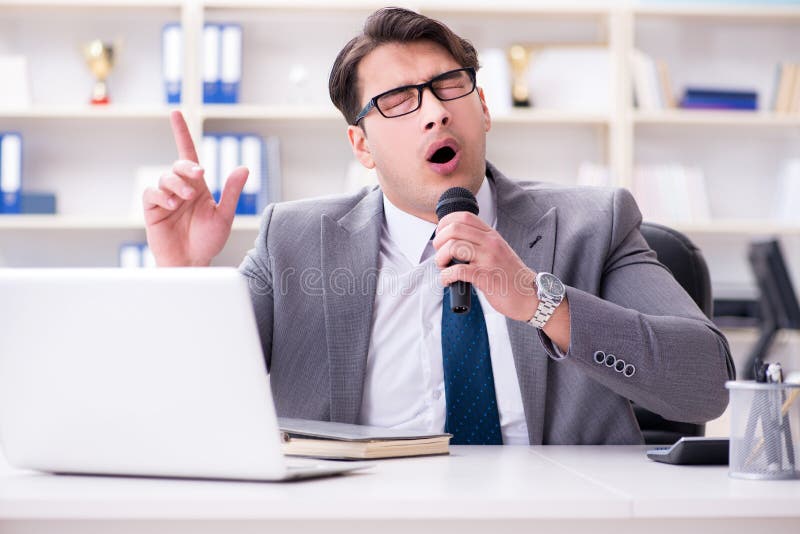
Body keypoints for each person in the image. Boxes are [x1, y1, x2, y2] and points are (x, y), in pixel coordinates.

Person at [143, 7, 735, 445]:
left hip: (556, 510)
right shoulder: (290, 242)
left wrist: (536, 298)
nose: (435, 110)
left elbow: (706, 384)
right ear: (361, 144)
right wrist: (183, 277)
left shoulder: (594, 223)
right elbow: (177, 407)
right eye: (399, 100)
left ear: (482, 109)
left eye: (450, 86)